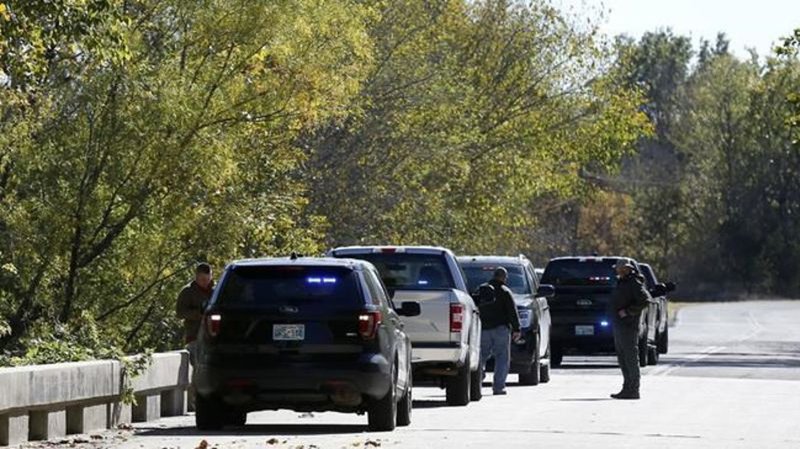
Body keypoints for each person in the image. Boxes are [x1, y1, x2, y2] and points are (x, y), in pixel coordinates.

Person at [610, 259, 651, 400]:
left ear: (628, 269)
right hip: (619, 325)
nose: (619, 271)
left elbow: (645, 300)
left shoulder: (634, 282)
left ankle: (633, 389)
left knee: (630, 358)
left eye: (622, 268)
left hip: (628, 325)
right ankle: (626, 388)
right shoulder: (622, 282)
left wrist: (628, 312)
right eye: (618, 268)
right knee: (623, 358)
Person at [478, 267, 521, 396]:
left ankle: (477, 379)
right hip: (501, 329)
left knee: (480, 357)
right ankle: (498, 387)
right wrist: (517, 328)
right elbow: (512, 311)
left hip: (483, 329)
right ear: (504, 277)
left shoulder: (481, 290)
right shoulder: (505, 291)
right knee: (502, 358)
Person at [176, 263, 214, 353]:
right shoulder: (187, 292)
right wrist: (198, 314)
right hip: (194, 336)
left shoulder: (216, 291)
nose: (206, 282)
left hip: (213, 336)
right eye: (203, 279)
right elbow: (180, 312)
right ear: (196, 277)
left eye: (208, 279)